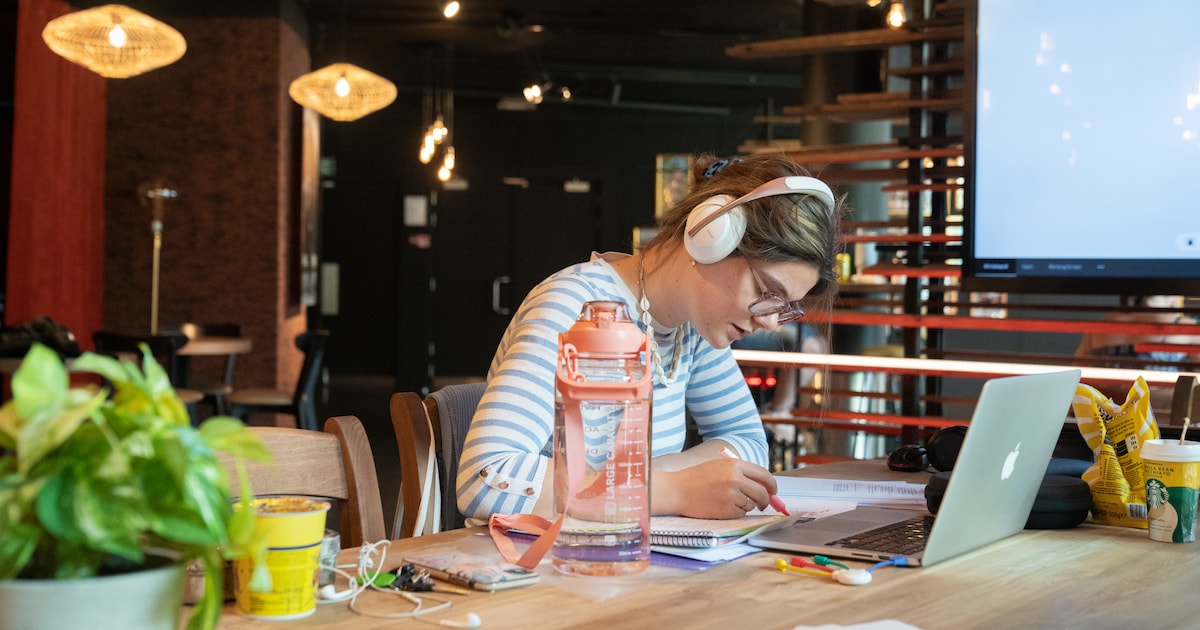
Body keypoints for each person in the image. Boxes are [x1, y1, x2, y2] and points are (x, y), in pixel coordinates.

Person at [456, 153, 844, 522]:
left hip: (625, 560)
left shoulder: (692, 327)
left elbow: (749, 444)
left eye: (784, 306)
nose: (772, 322)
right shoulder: (574, 307)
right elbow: (485, 478)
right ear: (710, 235)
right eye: (767, 291)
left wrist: (642, 480)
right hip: (546, 564)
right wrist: (671, 490)